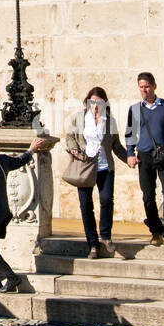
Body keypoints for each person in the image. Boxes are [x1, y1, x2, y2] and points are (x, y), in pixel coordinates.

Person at [0, 132, 48, 291]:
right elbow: (19, 161)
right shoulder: (1, 160)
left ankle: (10, 278)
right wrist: (30, 150)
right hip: (1, 212)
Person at [125, 73, 164, 249]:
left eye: (147, 86)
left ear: (154, 86)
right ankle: (156, 231)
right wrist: (130, 153)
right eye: (141, 87)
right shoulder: (135, 109)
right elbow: (130, 134)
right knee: (148, 196)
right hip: (144, 156)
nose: (144, 90)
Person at [64, 87, 128, 258]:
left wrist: (129, 158)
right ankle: (93, 244)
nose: (95, 106)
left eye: (99, 102)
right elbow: (69, 137)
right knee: (86, 206)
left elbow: (116, 145)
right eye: (92, 102)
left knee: (106, 200)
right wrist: (74, 150)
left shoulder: (110, 122)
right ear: (88, 102)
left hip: (104, 166)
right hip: (85, 166)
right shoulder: (78, 118)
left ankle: (105, 236)